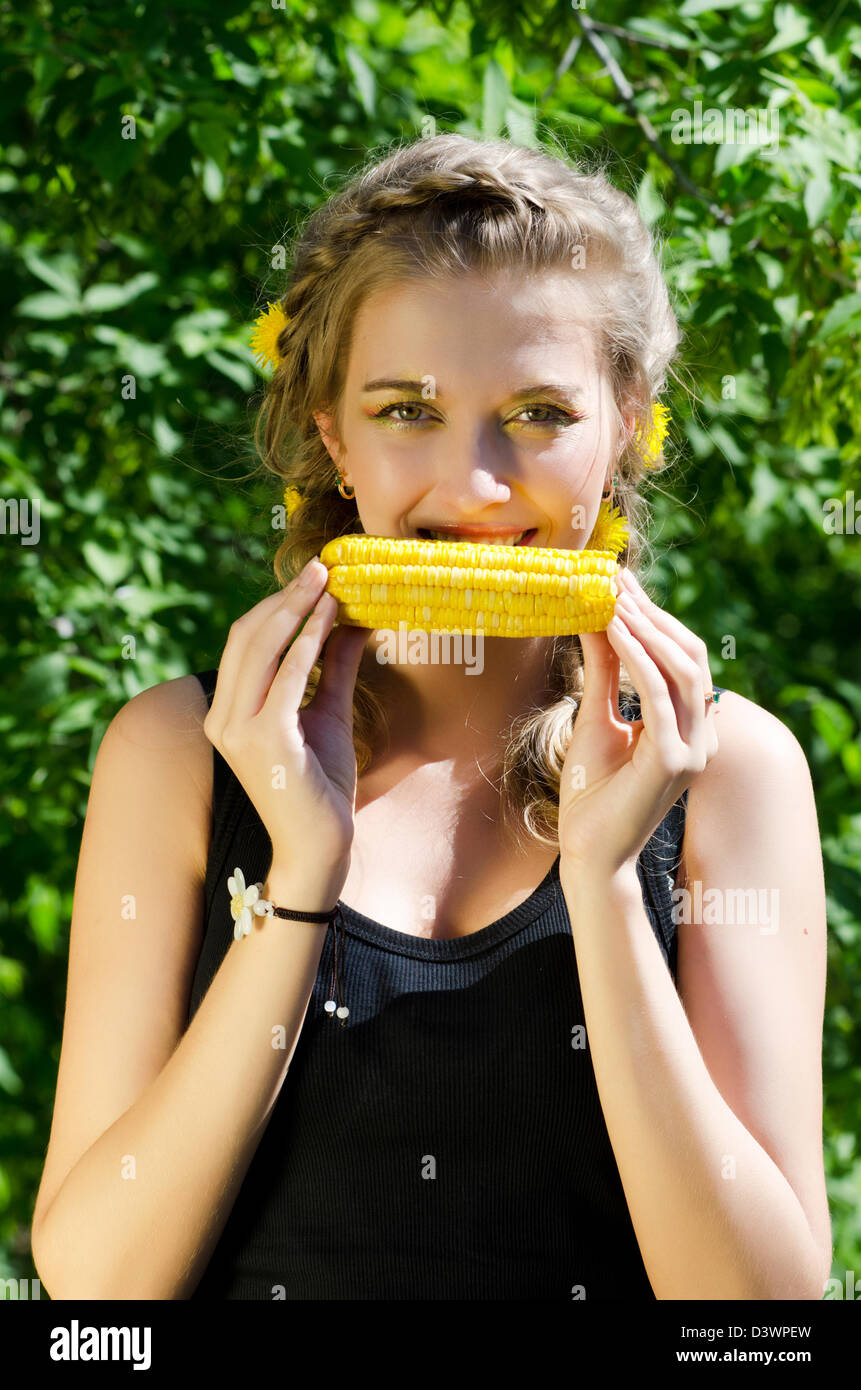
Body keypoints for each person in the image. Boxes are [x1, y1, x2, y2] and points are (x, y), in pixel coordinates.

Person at [31, 133, 831, 1300]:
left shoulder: (725, 769)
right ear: (330, 437)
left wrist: (606, 884)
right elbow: (100, 1288)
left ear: (625, 434)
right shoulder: (176, 754)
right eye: (407, 409)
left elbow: (758, 1314)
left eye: (541, 412)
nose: (479, 487)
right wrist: (301, 871)